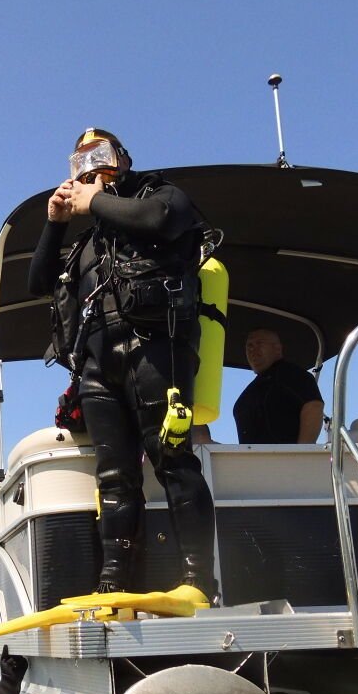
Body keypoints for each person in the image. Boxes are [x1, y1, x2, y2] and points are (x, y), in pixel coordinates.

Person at [28, 129, 217, 600]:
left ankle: (198, 580)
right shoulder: (91, 241)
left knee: (173, 462)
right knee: (113, 477)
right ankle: (115, 577)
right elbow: (37, 282)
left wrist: (92, 201)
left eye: (102, 155)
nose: (92, 167)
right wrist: (54, 222)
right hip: (98, 369)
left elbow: (161, 219)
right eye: (82, 161)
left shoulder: (158, 196)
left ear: (123, 159)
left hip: (156, 351)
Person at [233, 328, 325, 445]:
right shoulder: (254, 387)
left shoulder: (292, 374)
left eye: (259, 343)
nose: (253, 350)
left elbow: (314, 407)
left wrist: (301, 455)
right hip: (251, 460)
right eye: (249, 346)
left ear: (277, 348)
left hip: (285, 460)